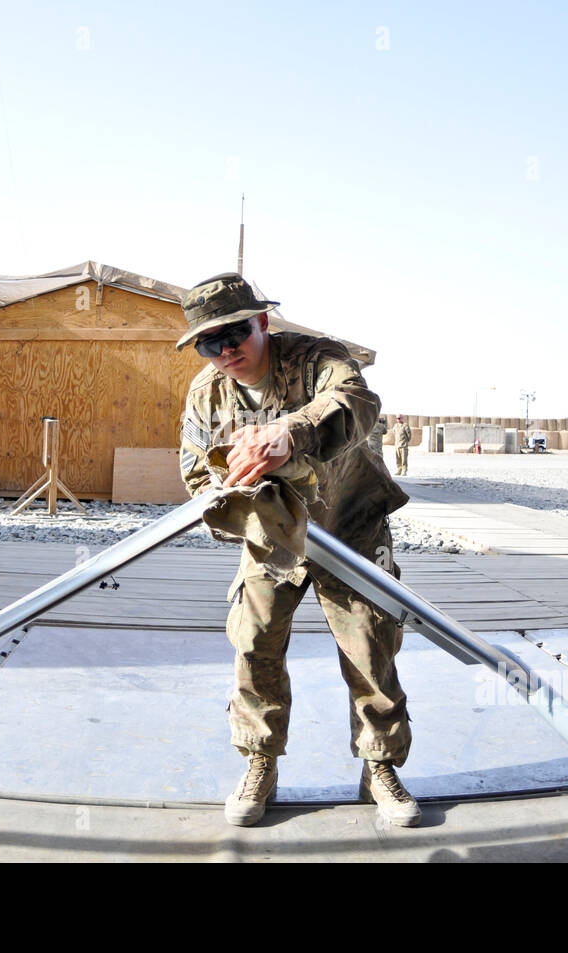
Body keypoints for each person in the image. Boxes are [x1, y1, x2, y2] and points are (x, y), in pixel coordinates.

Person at [176, 272, 419, 828]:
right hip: (272, 532)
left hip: (350, 526)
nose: (226, 350)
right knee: (255, 642)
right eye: (210, 342)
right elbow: (194, 474)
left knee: (371, 644)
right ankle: (260, 760)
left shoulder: (317, 360)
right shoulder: (205, 395)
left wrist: (291, 433)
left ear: (262, 322)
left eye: (235, 332)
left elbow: (356, 401)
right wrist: (232, 489)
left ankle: (380, 765)